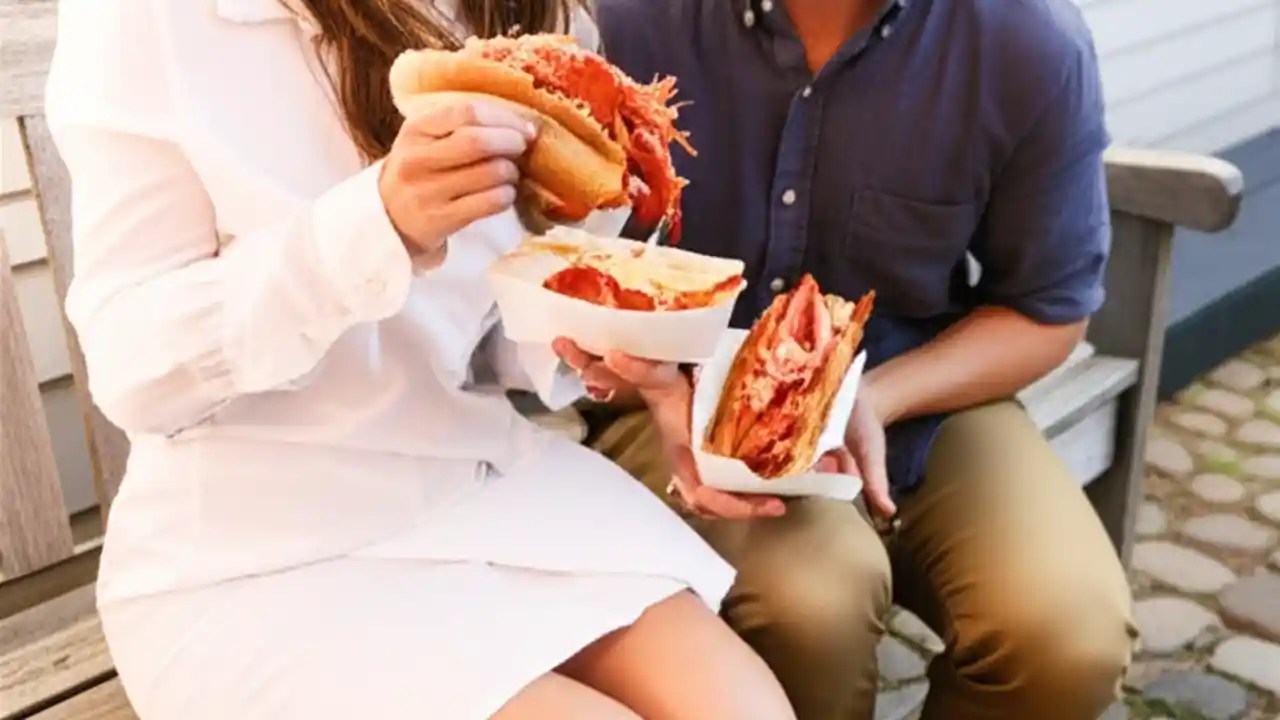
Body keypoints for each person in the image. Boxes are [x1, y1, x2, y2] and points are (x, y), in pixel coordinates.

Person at [45, 1, 798, 718]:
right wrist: (372, 227)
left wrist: (609, 339)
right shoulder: (151, 17)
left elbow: (485, 330)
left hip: (471, 490)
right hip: (254, 548)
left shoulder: (532, 16)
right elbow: (133, 366)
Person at [582, 0, 1140, 718]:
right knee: (811, 606)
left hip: (920, 386)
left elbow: (1047, 310)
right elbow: (536, 258)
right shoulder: (619, 20)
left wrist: (871, 398)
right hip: (675, 396)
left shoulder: (1031, 41)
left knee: (1068, 638)